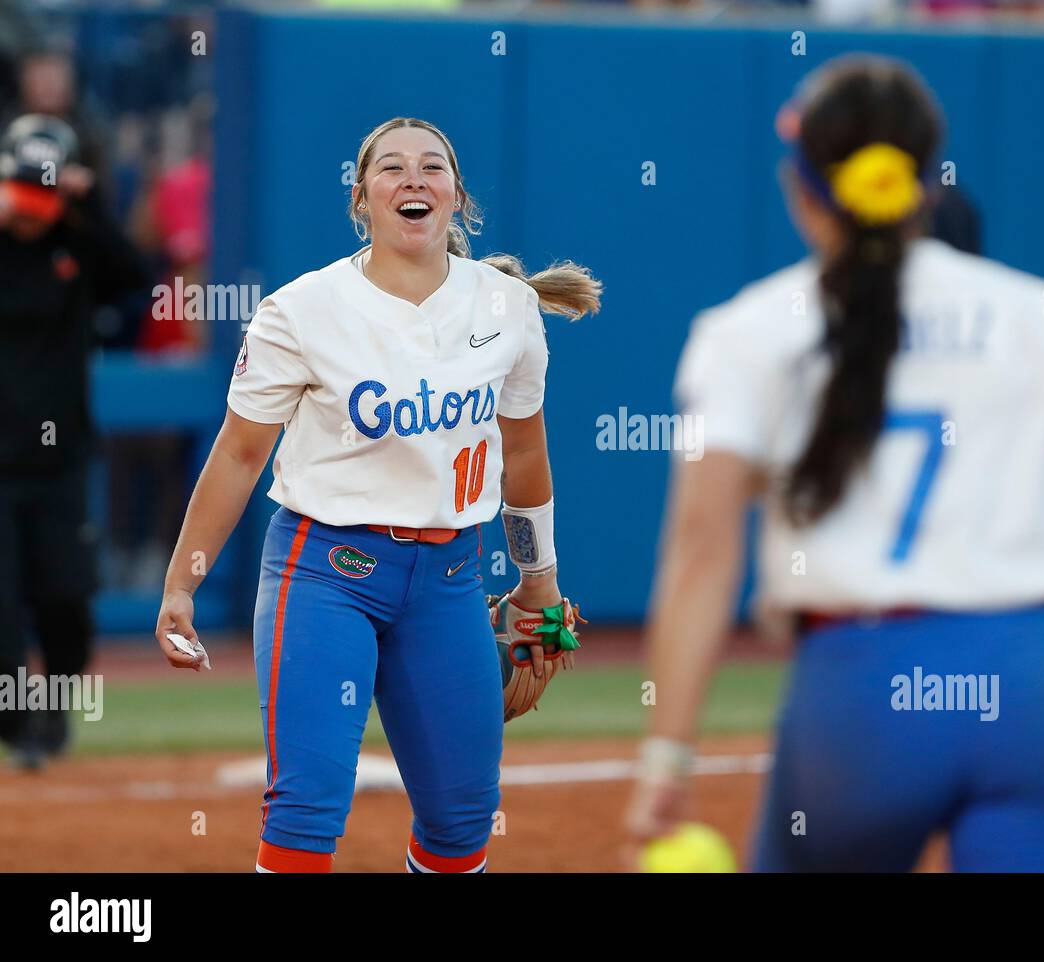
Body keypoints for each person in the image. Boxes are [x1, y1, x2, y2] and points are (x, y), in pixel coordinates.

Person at [624, 56, 1044, 871]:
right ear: (926, 181)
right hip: (1036, 692)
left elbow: (701, 556)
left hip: (858, 699)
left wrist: (666, 758)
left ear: (801, 189)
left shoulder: (747, 333)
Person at [154, 117, 600, 873]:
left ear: (458, 196)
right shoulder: (302, 310)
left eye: (433, 167)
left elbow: (523, 450)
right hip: (324, 572)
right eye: (391, 169)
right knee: (305, 810)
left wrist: (539, 581)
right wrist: (180, 583)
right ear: (362, 199)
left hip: (452, 580)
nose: (414, 179)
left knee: (462, 824)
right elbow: (238, 454)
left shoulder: (506, 307)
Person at [0, 113, 151, 770]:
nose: (33, 210)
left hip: (59, 462)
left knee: (65, 599)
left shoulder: (80, 245)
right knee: (1, 610)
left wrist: (86, 200)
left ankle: (56, 705)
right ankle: (18, 726)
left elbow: (134, 276)